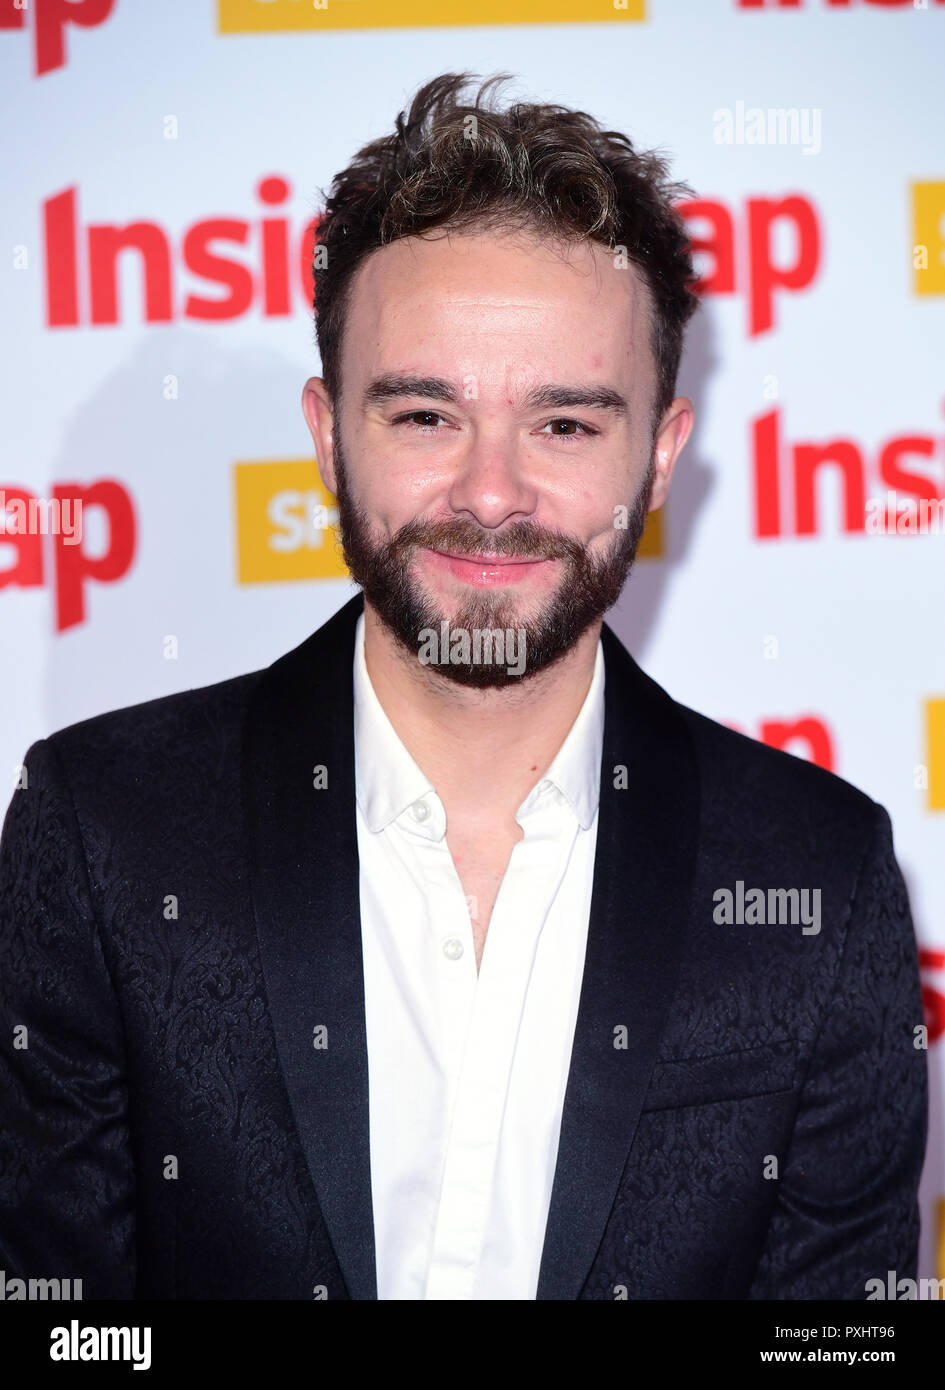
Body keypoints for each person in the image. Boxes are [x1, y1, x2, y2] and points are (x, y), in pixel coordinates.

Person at [0, 72, 927, 1301]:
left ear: (659, 455)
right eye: (428, 414)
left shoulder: (822, 878)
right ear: (330, 435)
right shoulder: (101, 831)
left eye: (566, 426)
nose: (491, 497)